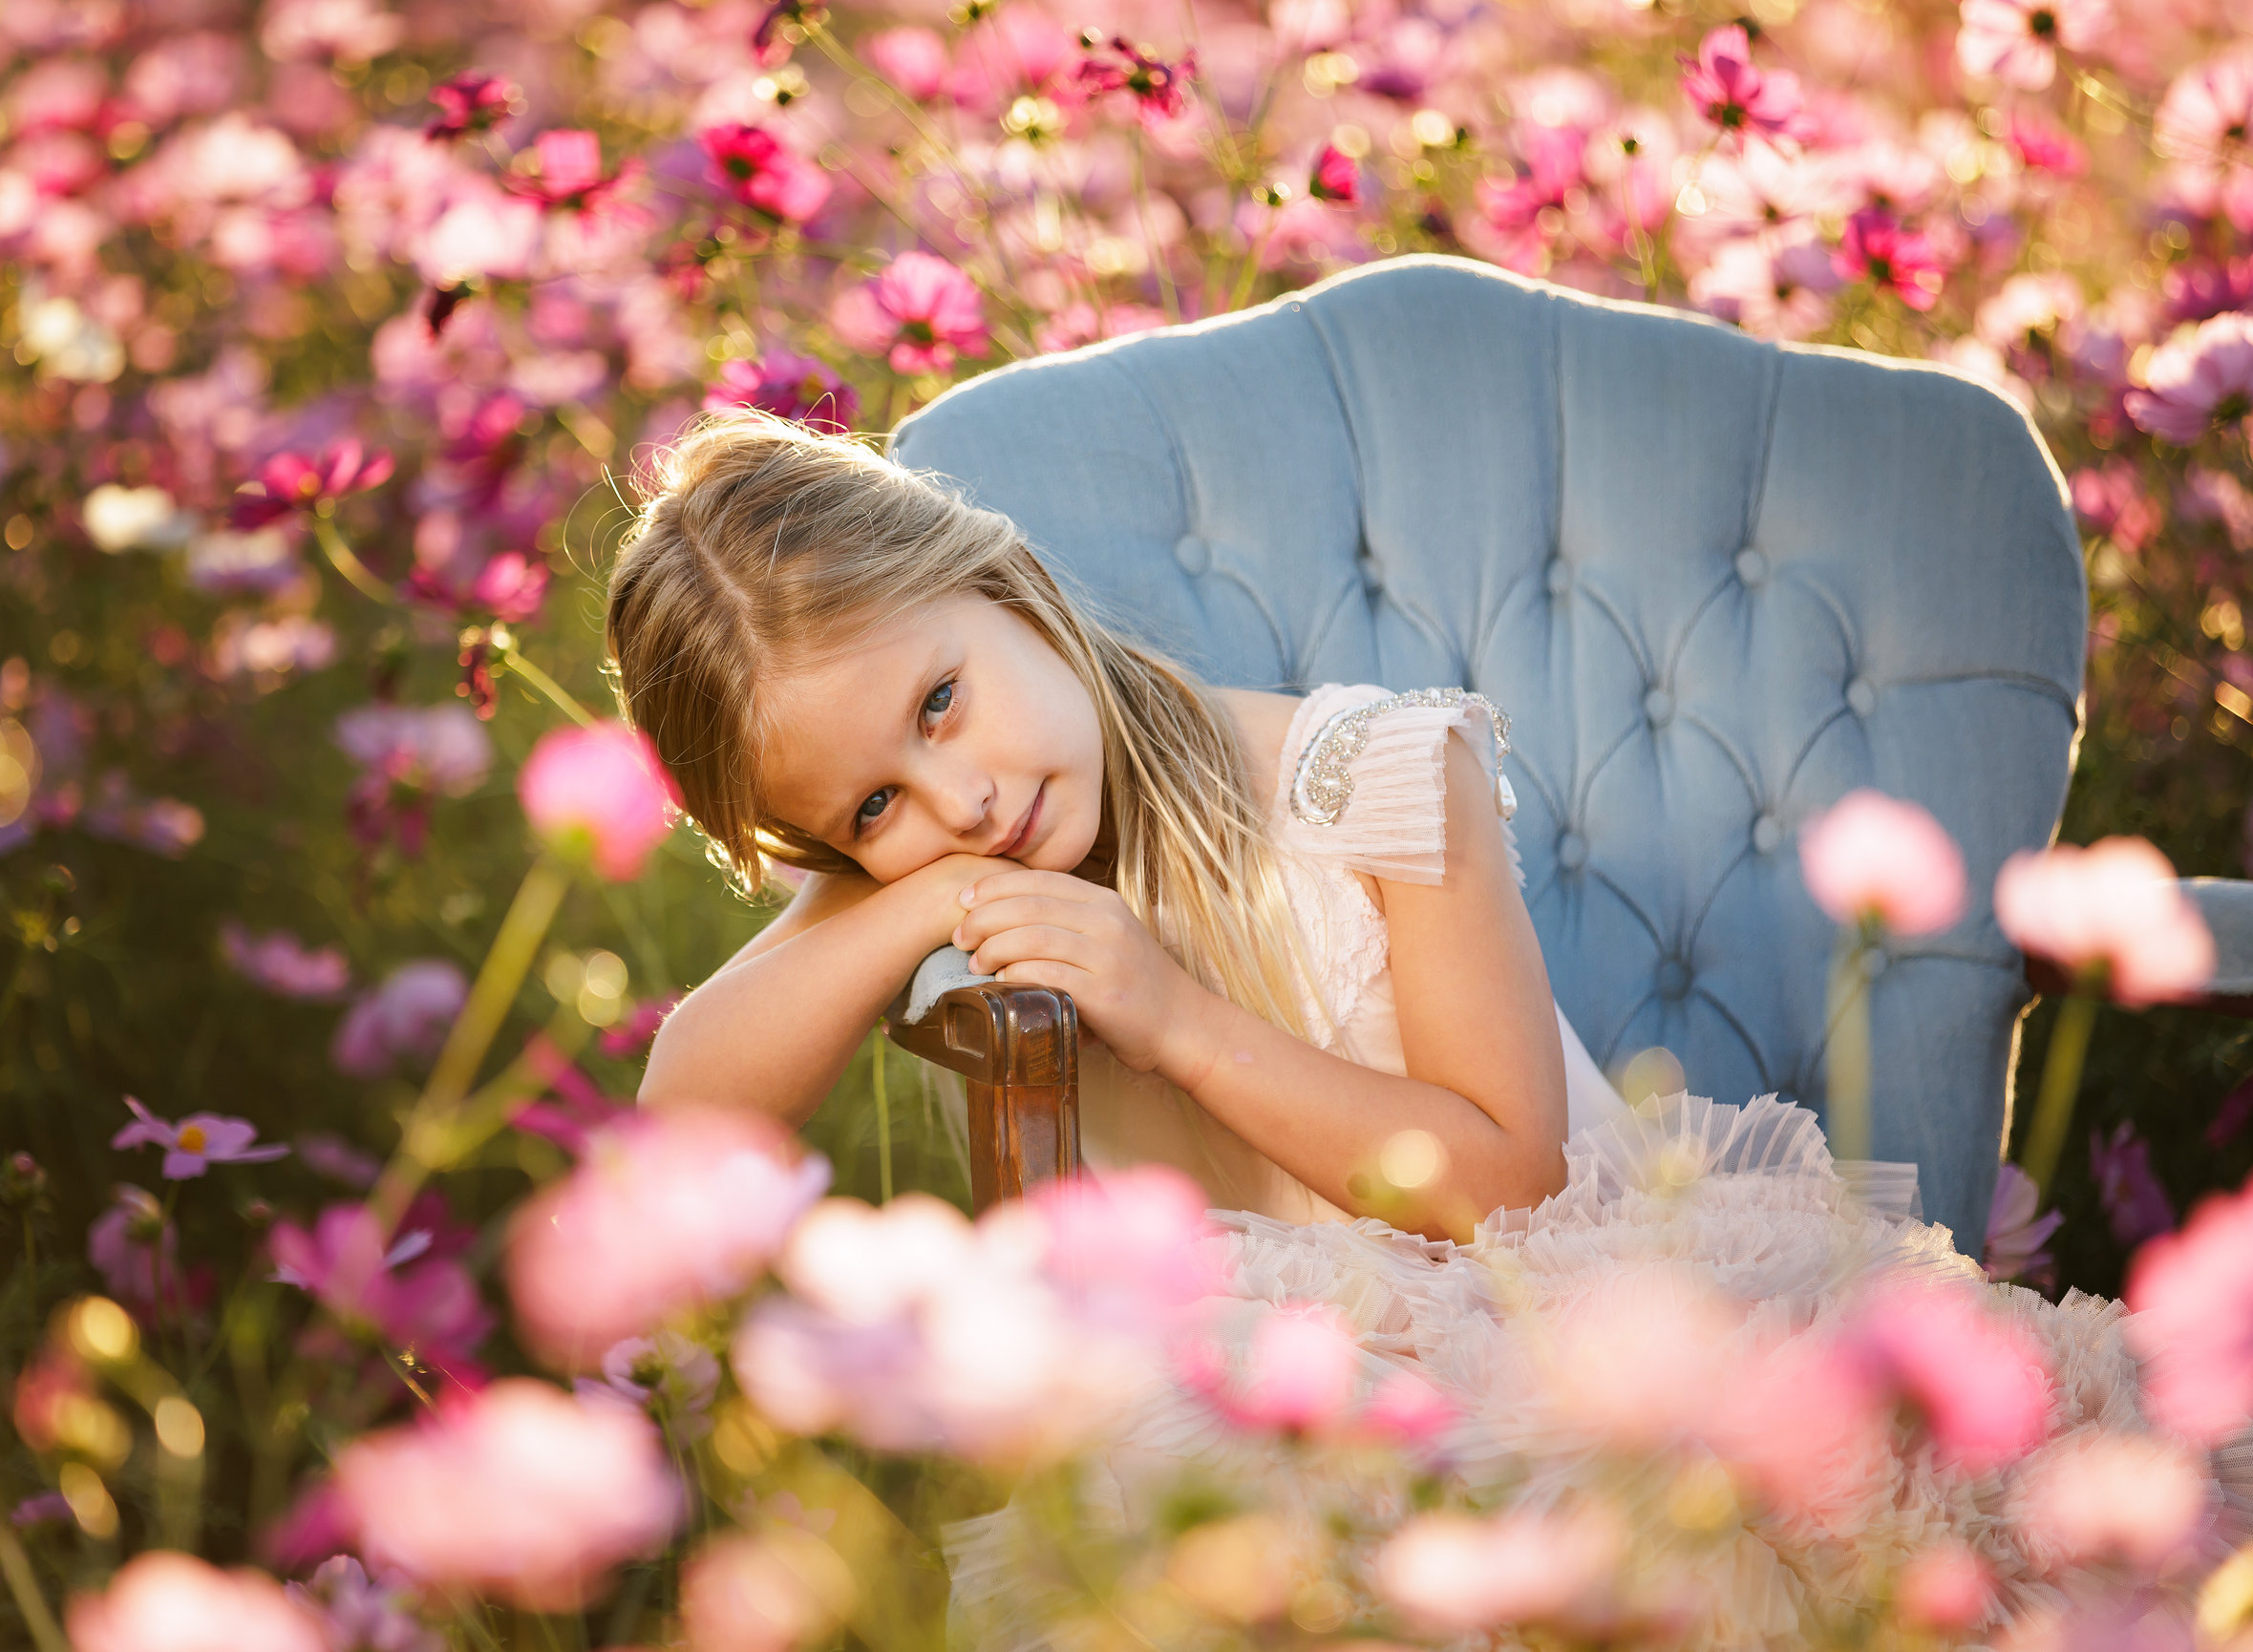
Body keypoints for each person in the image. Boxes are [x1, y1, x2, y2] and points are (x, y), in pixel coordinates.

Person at [605, 412, 2190, 1644]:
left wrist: (1166, 1009)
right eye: (871, 803)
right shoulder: (951, 853)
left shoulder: (1373, 776)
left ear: (997, 579)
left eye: (941, 701)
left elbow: (1504, 1174)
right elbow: (685, 1110)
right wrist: (896, 892)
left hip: (1544, 1300)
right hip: (1247, 1365)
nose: (958, 798)